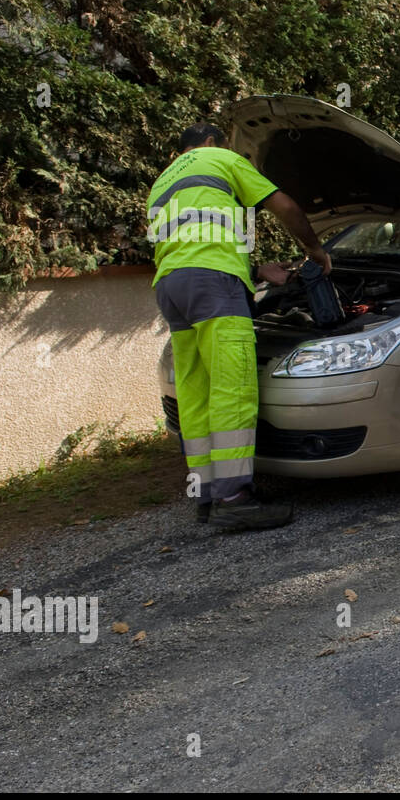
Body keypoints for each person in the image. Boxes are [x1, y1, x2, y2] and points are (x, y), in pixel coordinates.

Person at [148, 122, 331, 530]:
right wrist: (315, 250)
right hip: (213, 284)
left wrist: (254, 269)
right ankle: (234, 498)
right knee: (234, 386)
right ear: (213, 142)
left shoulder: (164, 180)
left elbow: (189, 242)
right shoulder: (222, 158)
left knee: (195, 390)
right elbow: (285, 207)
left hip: (171, 285)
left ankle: (207, 493)